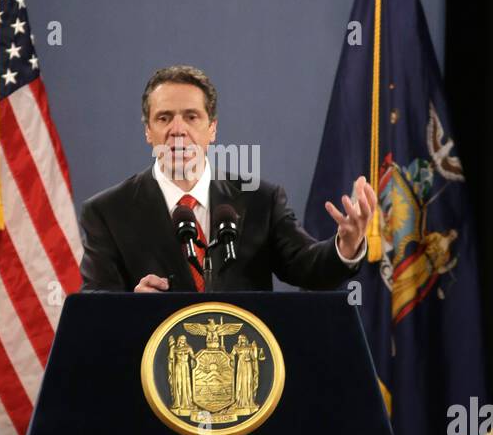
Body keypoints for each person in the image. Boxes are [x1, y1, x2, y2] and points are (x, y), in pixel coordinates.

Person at [77, 64, 376, 293]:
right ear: (148, 131)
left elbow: (307, 267)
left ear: (212, 129)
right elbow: (96, 306)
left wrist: (345, 246)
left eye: (191, 117)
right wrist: (130, 306)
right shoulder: (107, 212)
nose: (177, 129)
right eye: (164, 118)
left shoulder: (260, 200)